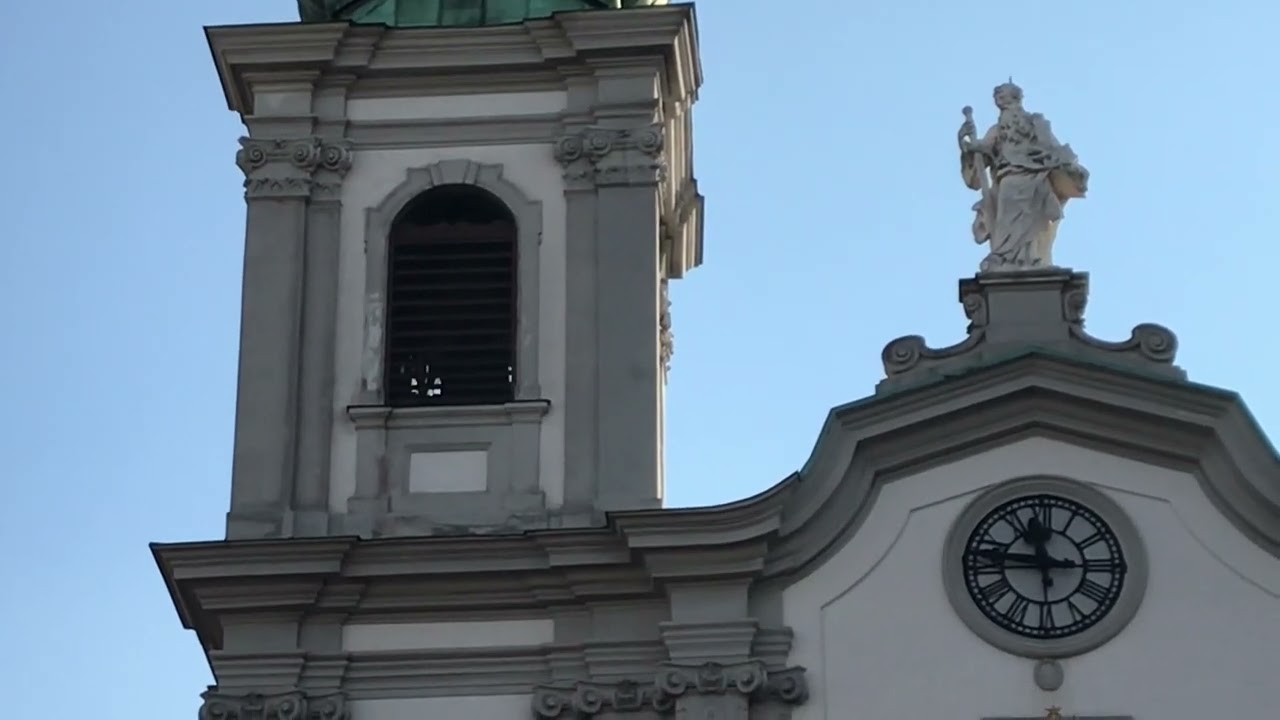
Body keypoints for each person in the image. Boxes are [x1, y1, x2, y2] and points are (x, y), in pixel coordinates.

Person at [959, 82, 1089, 272]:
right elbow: (982, 151)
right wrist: (965, 142)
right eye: (996, 97)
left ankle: (1033, 259)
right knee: (1008, 219)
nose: (998, 99)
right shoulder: (998, 129)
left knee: (1034, 222)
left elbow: (1053, 148)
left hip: (1035, 179)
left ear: (1015, 97)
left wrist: (1070, 168)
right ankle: (1005, 256)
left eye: (1002, 95)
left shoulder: (1035, 123)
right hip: (1009, 178)